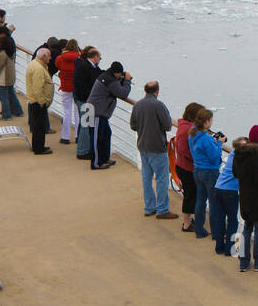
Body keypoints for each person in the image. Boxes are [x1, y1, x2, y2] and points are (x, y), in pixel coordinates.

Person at [130, 80, 174, 216]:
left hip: (143, 146)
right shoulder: (159, 105)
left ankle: (149, 207)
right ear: (157, 91)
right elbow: (168, 125)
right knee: (162, 178)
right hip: (157, 147)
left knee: (146, 178)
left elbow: (133, 125)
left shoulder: (138, 105)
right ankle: (162, 209)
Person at [232, 125, 258, 273]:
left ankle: (243, 262)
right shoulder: (255, 155)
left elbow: (235, 173)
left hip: (244, 196)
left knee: (247, 229)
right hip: (257, 197)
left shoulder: (238, 153)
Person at [86, 61, 132, 170]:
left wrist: (122, 79)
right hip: (95, 112)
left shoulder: (107, 76)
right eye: (119, 74)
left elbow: (116, 87)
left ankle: (104, 158)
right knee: (96, 138)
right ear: (116, 73)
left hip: (96, 111)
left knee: (106, 134)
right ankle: (96, 163)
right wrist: (127, 81)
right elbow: (123, 93)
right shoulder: (110, 80)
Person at [189, 108, 226, 237]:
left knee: (200, 201)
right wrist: (219, 144)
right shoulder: (206, 138)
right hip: (210, 172)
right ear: (207, 121)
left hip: (197, 170)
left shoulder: (192, 134)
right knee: (213, 203)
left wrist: (213, 144)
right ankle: (216, 233)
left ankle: (199, 230)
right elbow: (215, 157)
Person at [172, 103, 204, 231]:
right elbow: (185, 150)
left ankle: (189, 220)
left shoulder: (184, 126)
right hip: (187, 168)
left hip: (182, 166)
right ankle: (186, 224)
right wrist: (199, 157)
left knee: (191, 194)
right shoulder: (187, 130)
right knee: (190, 196)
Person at [212, 138, 245, 255]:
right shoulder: (242, 157)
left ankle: (219, 247)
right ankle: (229, 249)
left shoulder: (232, 153)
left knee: (220, 219)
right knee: (232, 221)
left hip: (218, 188)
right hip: (230, 191)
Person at [71, 46, 101, 159]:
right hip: (85, 101)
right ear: (95, 57)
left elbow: (100, 74)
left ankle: (84, 148)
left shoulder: (90, 66)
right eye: (100, 58)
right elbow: (81, 86)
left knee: (86, 125)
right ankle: (82, 151)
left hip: (84, 100)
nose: (100, 60)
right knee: (86, 126)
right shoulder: (84, 68)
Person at [25, 47, 55, 155]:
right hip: (38, 103)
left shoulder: (35, 64)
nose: (50, 58)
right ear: (43, 57)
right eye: (49, 56)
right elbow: (37, 88)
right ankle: (38, 149)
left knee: (38, 126)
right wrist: (42, 102)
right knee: (39, 127)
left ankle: (38, 146)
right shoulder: (38, 68)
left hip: (35, 101)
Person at [0, 31, 23, 119]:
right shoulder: (10, 53)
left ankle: (6, 115)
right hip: (10, 77)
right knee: (11, 94)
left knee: (3, 97)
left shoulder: (2, 54)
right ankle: (18, 111)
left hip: (3, 79)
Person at [54, 39, 80, 144]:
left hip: (65, 87)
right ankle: (78, 136)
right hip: (76, 88)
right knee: (77, 112)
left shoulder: (60, 58)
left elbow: (57, 65)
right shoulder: (79, 58)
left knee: (66, 112)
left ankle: (65, 137)